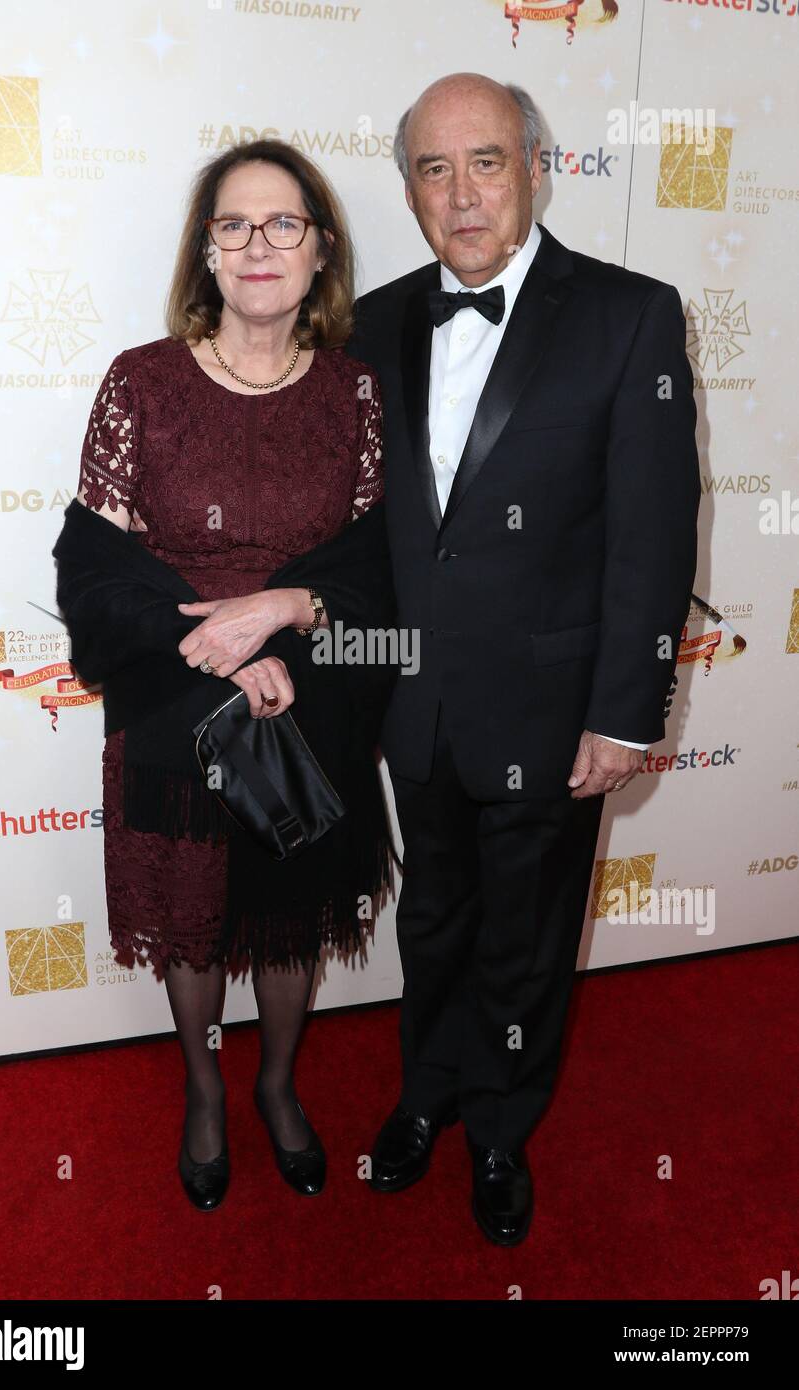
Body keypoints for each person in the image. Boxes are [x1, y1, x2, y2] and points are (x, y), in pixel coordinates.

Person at [345, 74, 701, 1245]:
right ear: (406, 188)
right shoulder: (374, 320)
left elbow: (652, 532)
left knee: (528, 937)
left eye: (484, 162)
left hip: (555, 714)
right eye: (432, 170)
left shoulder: (628, 315)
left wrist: (624, 710)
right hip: (415, 708)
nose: (460, 194)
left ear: (538, 168)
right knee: (433, 922)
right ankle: (427, 1096)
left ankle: (499, 1128)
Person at [73, 138, 387, 1209]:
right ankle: (206, 1089)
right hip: (175, 707)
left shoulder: (354, 393)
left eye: (283, 224)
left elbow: (380, 573)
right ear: (205, 253)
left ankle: (279, 1085)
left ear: (320, 251)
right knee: (198, 921)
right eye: (233, 225)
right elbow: (94, 573)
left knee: (291, 917)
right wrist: (213, 652)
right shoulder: (140, 384)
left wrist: (288, 615)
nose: (259, 245)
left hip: (310, 702)